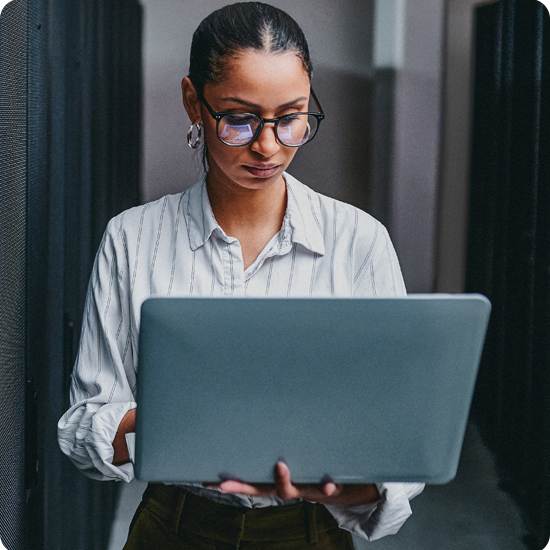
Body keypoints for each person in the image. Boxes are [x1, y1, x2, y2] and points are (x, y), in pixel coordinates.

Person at [58, 2, 424, 548]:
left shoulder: (359, 241)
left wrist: (333, 490)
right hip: (175, 526)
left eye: (292, 116)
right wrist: (174, 415)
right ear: (193, 103)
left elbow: (399, 447)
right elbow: (85, 427)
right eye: (240, 118)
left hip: (311, 529)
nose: (268, 145)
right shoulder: (132, 240)